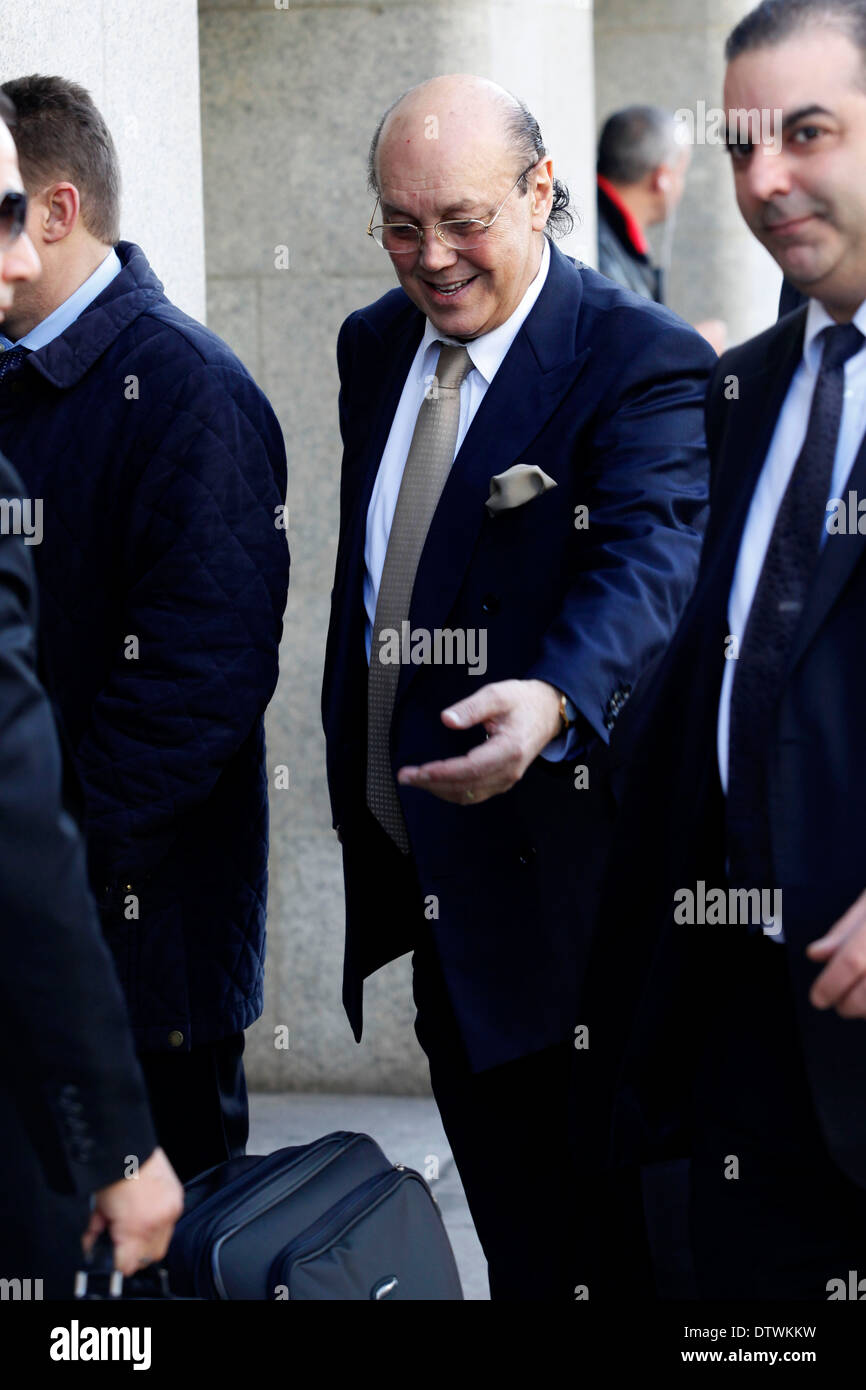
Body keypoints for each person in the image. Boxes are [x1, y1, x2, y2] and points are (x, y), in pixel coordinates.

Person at [322, 73, 715, 1300]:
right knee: (520, 1252)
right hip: (440, 901)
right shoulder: (374, 343)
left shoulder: (634, 355)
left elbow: (652, 553)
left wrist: (552, 695)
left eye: (461, 219)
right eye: (399, 223)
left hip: (581, 925)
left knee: (610, 1260)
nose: (429, 257)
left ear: (542, 192)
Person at [584, 0, 866, 1300]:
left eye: (805, 135)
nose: (761, 181)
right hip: (741, 1037)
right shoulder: (737, 390)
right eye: (741, 142)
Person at [0, 75, 290, 1184]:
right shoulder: (16, 373)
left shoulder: (188, 390)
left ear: (56, 213)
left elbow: (194, 688)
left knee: (159, 1263)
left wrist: (50, 877)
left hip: (139, 956)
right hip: (45, 933)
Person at [0, 94, 183, 1300]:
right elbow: (11, 825)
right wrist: (116, 1138)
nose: (16, 257)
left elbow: (191, 691)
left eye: (19, 214)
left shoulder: (185, 388)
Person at [597, 105, 727, 353]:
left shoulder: (607, 233)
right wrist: (693, 347)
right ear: (662, 179)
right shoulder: (601, 251)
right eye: (681, 174)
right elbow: (620, 359)